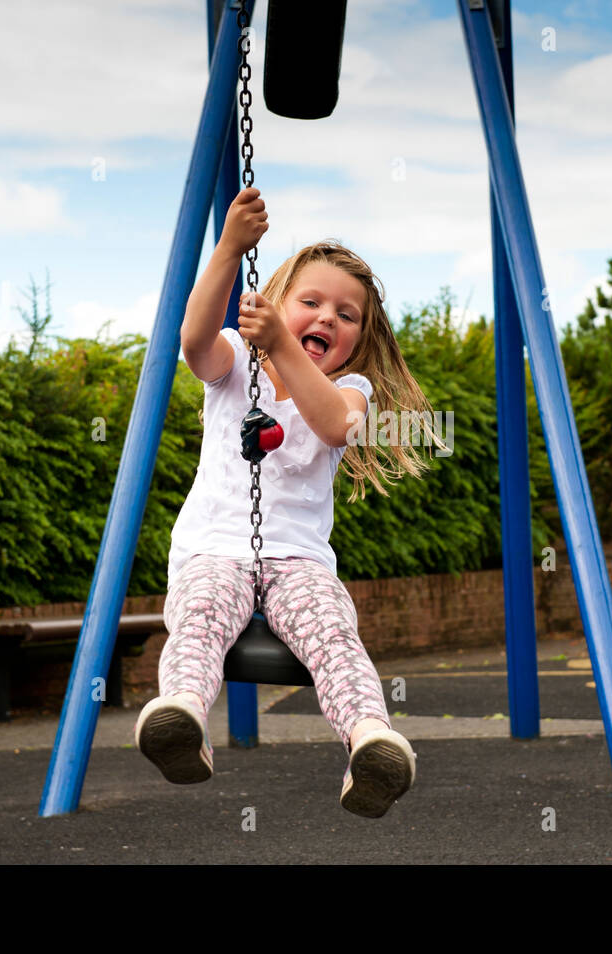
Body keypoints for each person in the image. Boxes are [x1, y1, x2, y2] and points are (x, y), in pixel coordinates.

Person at [135, 186, 445, 818]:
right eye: (311, 302)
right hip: (215, 549)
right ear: (272, 307)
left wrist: (282, 344)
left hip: (299, 563)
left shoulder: (350, 389)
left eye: (346, 314)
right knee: (199, 618)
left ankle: (371, 744)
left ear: (359, 340)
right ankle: (184, 720)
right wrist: (229, 247)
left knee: (333, 632)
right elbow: (192, 340)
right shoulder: (232, 364)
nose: (328, 318)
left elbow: (334, 426)